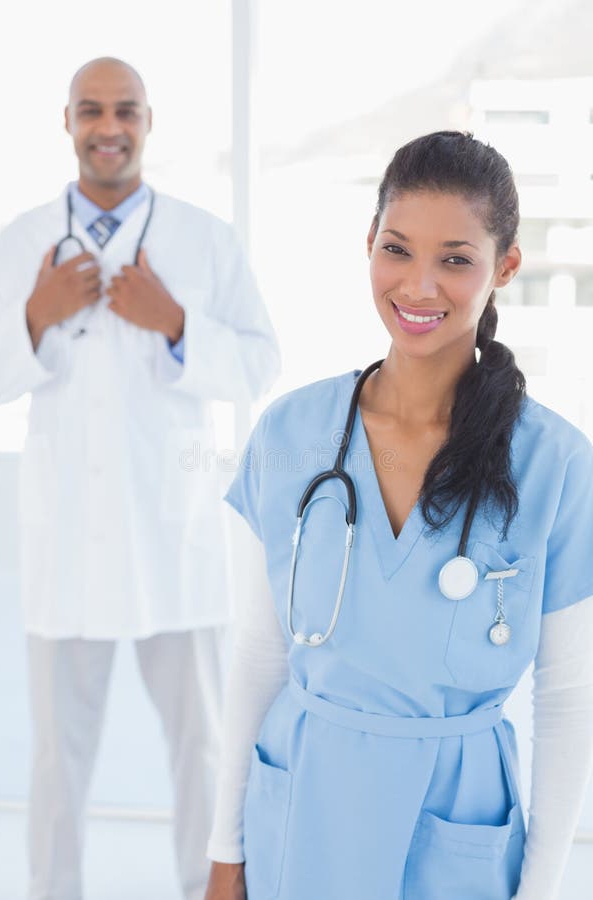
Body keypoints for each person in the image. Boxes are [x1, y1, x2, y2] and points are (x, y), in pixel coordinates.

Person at [204, 131, 593, 900]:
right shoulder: (289, 435)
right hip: (301, 806)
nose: (418, 286)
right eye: (396, 249)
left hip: (454, 823)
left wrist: (543, 888)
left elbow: (567, 693)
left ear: (504, 266)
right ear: (369, 247)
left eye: (455, 258)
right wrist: (225, 854)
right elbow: (256, 656)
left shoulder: (556, 462)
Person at [0, 57, 279, 900]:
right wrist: (35, 316)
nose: (107, 127)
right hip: (67, 543)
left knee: (203, 753)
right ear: (68, 122)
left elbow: (260, 363)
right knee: (56, 766)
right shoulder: (19, 243)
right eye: (91, 110)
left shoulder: (201, 239)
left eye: (124, 110)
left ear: (148, 121)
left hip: (174, 542)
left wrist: (178, 324)